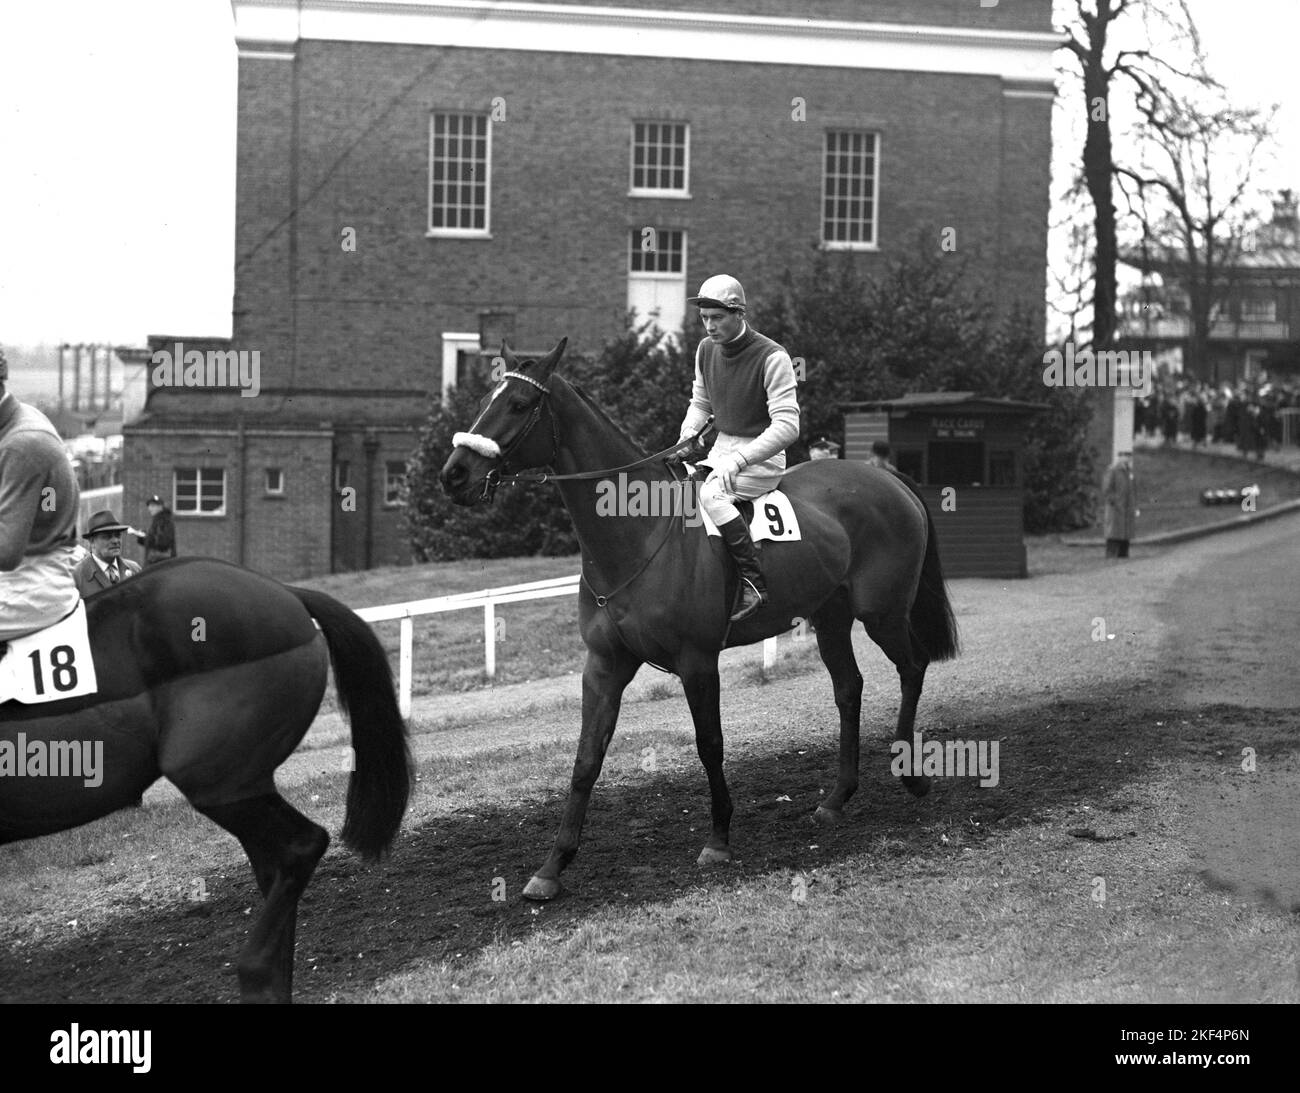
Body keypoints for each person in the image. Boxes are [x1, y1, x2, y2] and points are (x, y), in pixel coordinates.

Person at [669, 274, 799, 621]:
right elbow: (701, 403)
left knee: (712, 496)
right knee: (675, 491)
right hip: (721, 450)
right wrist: (688, 434)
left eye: (717, 318)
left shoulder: (773, 356)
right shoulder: (705, 350)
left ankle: (754, 582)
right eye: (704, 319)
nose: (709, 326)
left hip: (763, 456)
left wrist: (739, 459)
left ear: (739, 313)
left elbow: (787, 426)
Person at [0, 349, 82, 664]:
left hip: (36, 580)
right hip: (27, 568)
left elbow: (6, 553)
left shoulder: (21, 444)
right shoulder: (15, 419)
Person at [74, 510, 142, 596]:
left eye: (118, 535)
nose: (115, 541)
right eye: (107, 537)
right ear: (92, 542)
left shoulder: (134, 569)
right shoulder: (77, 576)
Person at [1102, 452, 1137, 559]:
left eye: (1129, 456)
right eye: (1125, 456)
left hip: (1127, 506)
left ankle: (1123, 553)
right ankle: (1111, 554)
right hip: (1115, 507)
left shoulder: (1129, 472)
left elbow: (1132, 489)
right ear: (1120, 457)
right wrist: (1114, 501)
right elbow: (1106, 489)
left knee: (1125, 531)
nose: (1127, 458)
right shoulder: (1113, 470)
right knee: (1114, 531)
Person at [132, 493, 176, 565]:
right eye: (149, 506)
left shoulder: (164, 521)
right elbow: (155, 540)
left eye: (153, 506)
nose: (150, 508)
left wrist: (146, 537)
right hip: (157, 562)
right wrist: (143, 536)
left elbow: (163, 543)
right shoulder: (158, 520)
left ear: (161, 507)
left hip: (160, 564)